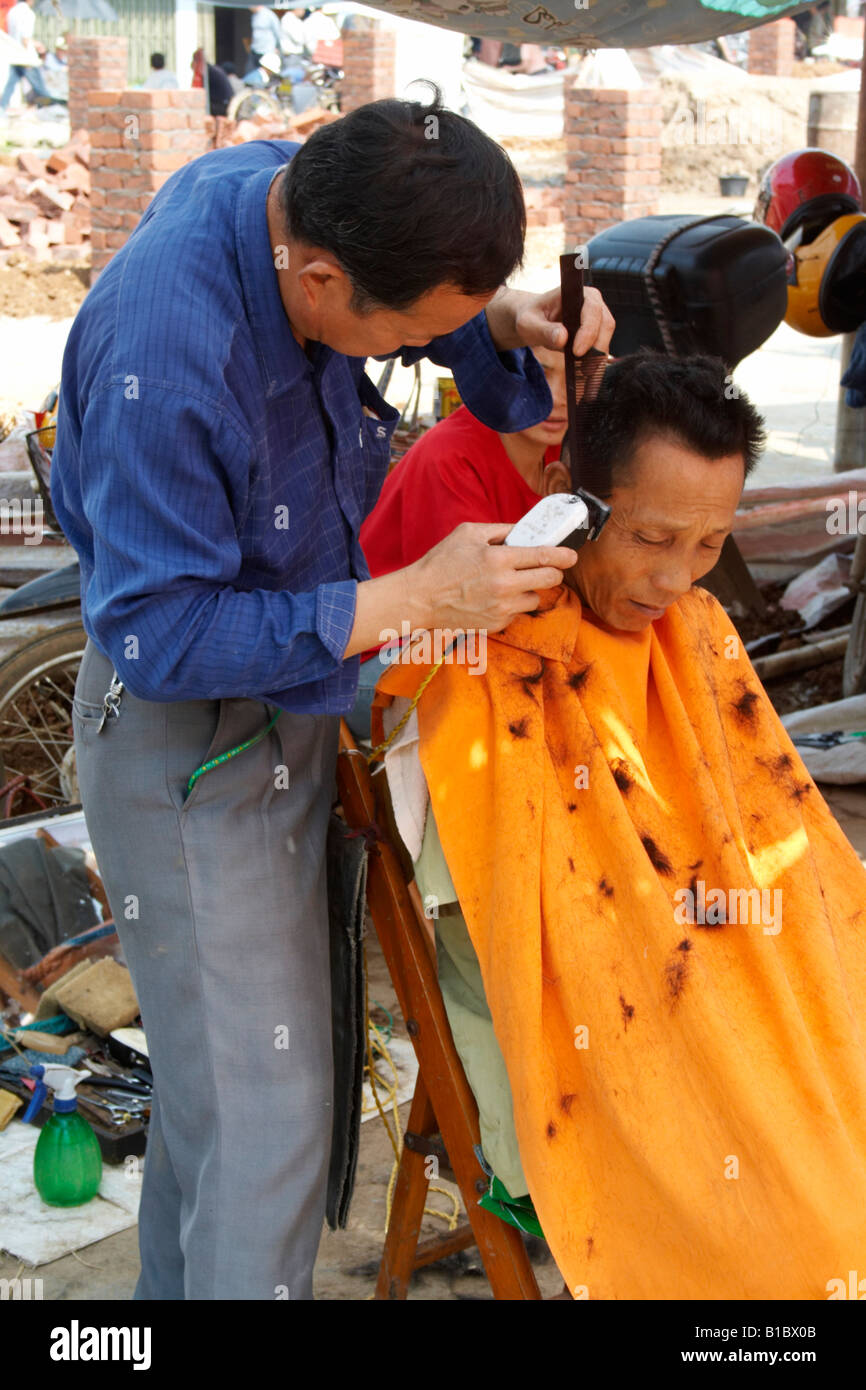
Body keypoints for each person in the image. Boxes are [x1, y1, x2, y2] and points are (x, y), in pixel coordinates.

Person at [51, 89, 614, 1301]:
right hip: (182, 736)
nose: (417, 354)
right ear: (314, 279)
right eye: (411, 334)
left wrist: (501, 325)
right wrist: (416, 597)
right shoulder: (169, 345)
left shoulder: (301, 181)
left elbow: (416, 308)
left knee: (236, 1105)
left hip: (288, 691)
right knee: (264, 1124)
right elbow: (161, 633)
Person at [372, 349, 866, 1300]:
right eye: (649, 538)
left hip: (732, 961)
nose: (675, 578)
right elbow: (508, 910)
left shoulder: (704, 630)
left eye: (708, 544)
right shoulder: (489, 652)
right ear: (566, 492)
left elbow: (786, 845)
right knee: (809, 1228)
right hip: (627, 1008)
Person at [348, 344, 575, 738]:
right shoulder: (449, 456)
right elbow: (466, 618)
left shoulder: (560, 447)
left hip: (476, 638)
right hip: (383, 649)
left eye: (572, 379)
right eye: (538, 374)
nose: (554, 397)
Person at [0, 0, 53, 114]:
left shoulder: (12, 12)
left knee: (10, 86)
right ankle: (51, 107)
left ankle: (1, 108)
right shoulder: (28, 13)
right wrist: (36, 47)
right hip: (26, 56)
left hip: (14, 54)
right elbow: (25, 38)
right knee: (40, 87)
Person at [247, 3, 283, 77]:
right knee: (253, 73)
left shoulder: (269, 15)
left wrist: (277, 47)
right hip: (255, 50)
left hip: (267, 50)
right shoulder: (254, 16)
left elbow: (278, 32)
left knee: (267, 75)